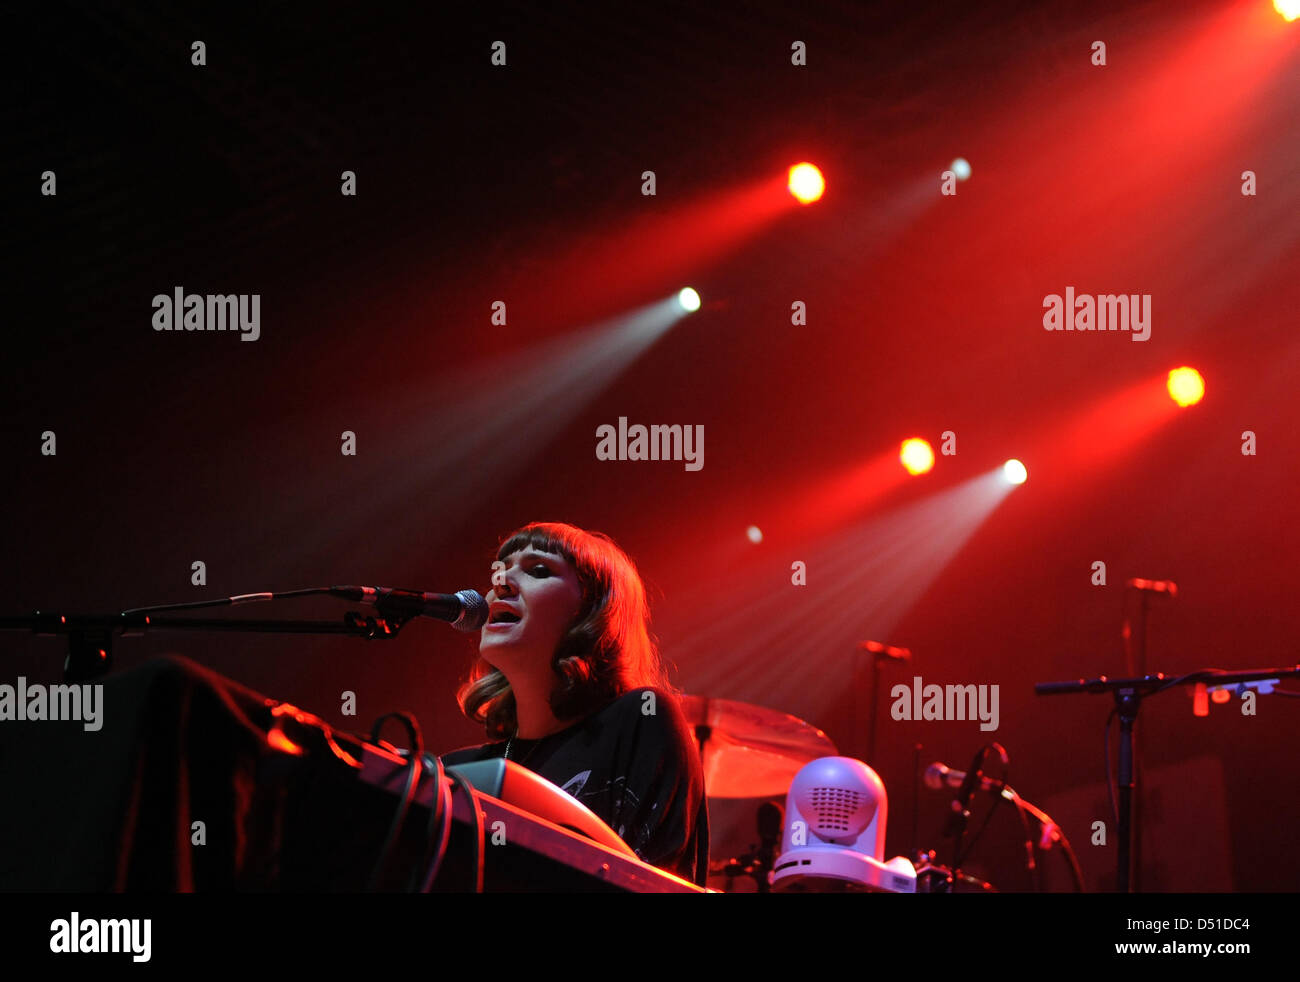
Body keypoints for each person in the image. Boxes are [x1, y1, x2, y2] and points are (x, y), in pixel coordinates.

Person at [439, 521, 709, 887]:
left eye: (538, 570)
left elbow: (648, 881)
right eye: (499, 571)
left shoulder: (640, 719)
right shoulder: (455, 772)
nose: (500, 583)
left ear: (592, 611)